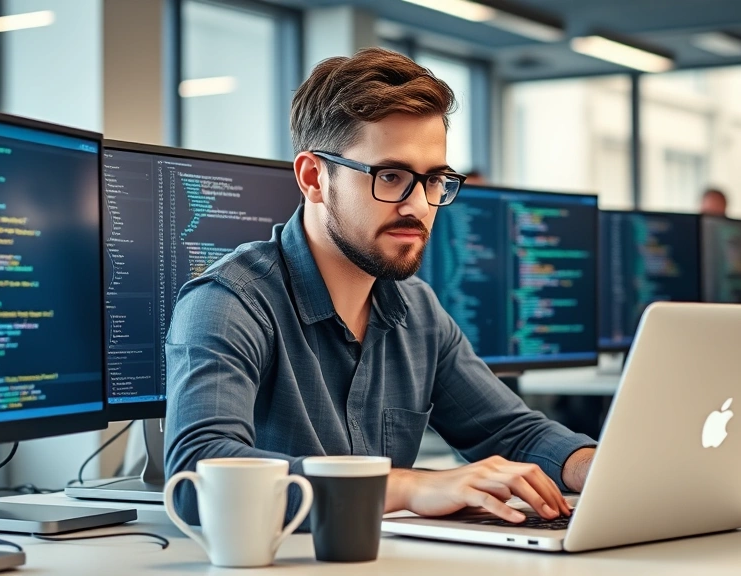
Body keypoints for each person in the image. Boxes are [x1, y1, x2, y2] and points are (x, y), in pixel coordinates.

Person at [164, 47, 596, 528]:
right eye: (391, 177)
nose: (419, 206)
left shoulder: (419, 311)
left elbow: (511, 432)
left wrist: (601, 469)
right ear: (314, 178)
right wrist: (409, 485)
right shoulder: (229, 302)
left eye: (433, 180)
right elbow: (197, 472)